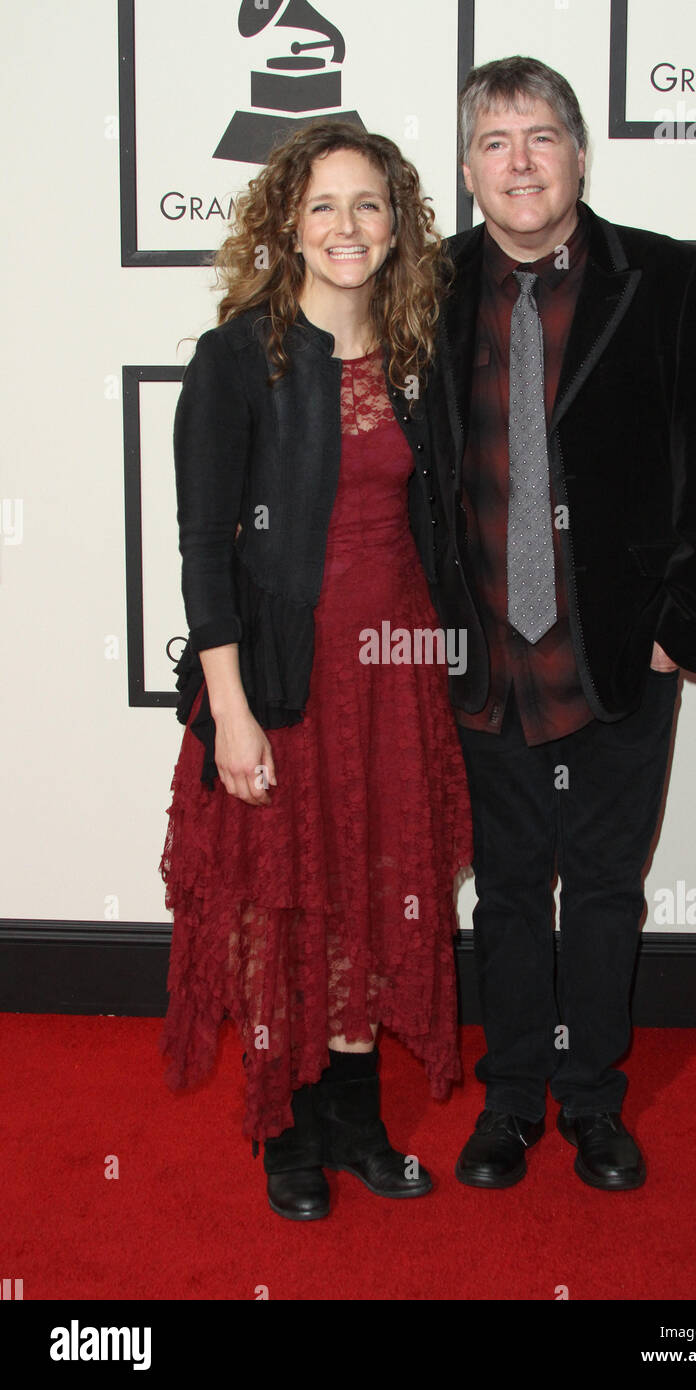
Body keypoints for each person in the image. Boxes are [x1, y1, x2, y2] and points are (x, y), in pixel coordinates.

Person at [421, 56, 696, 1190]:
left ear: (577, 154)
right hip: (483, 652)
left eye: (539, 138)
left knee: (606, 883)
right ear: (467, 170)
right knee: (507, 885)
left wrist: (686, 620)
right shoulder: (429, 286)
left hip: (616, 647)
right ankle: (511, 1098)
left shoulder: (664, 278)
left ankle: (594, 1104)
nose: (518, 162)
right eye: (494, 142)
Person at [158, 121, 473, 1220]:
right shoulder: (238, 357)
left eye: (370, 205)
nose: (348, 226)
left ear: (399, 227)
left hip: (396, 677)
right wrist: (231, 712)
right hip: (285, 681)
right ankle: (286, 1125)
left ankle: (354, 1115)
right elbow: (205, 548)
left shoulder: (418, 352)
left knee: (370, 894)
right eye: (326, 204)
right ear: (287, 221)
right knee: (283, 902)